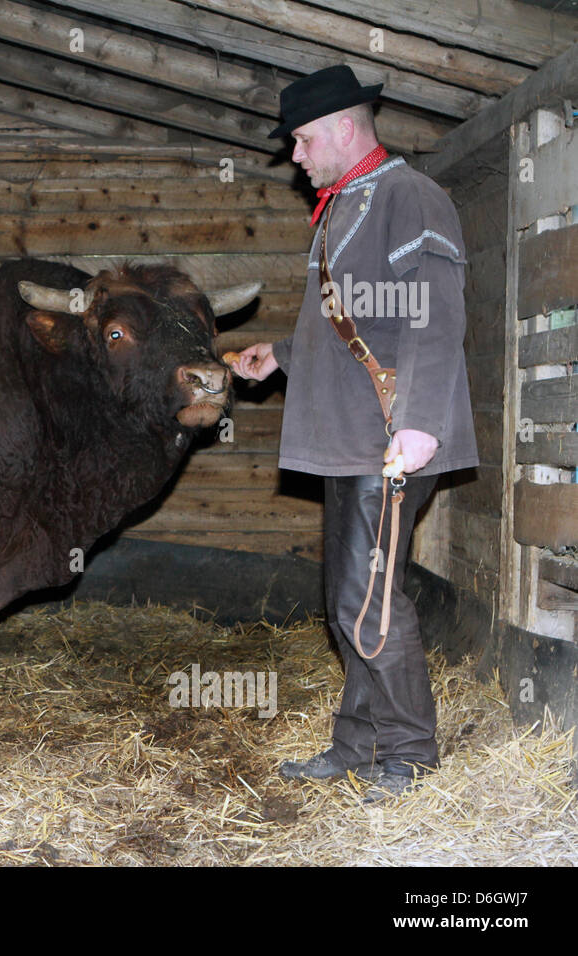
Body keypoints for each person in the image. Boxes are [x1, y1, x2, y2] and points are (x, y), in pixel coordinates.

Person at [231, 65, 478, 804]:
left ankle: (408, 754)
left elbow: (436, 318)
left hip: (391, 435)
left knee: (365, 600)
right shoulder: (346, 206)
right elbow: (354, 325)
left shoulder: (410, 198)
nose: (297, 157)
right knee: (350, 595)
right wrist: (282, 353)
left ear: (344, 125)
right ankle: (356, 744)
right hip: (353, 439)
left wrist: (422, 425)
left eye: (303, 140)